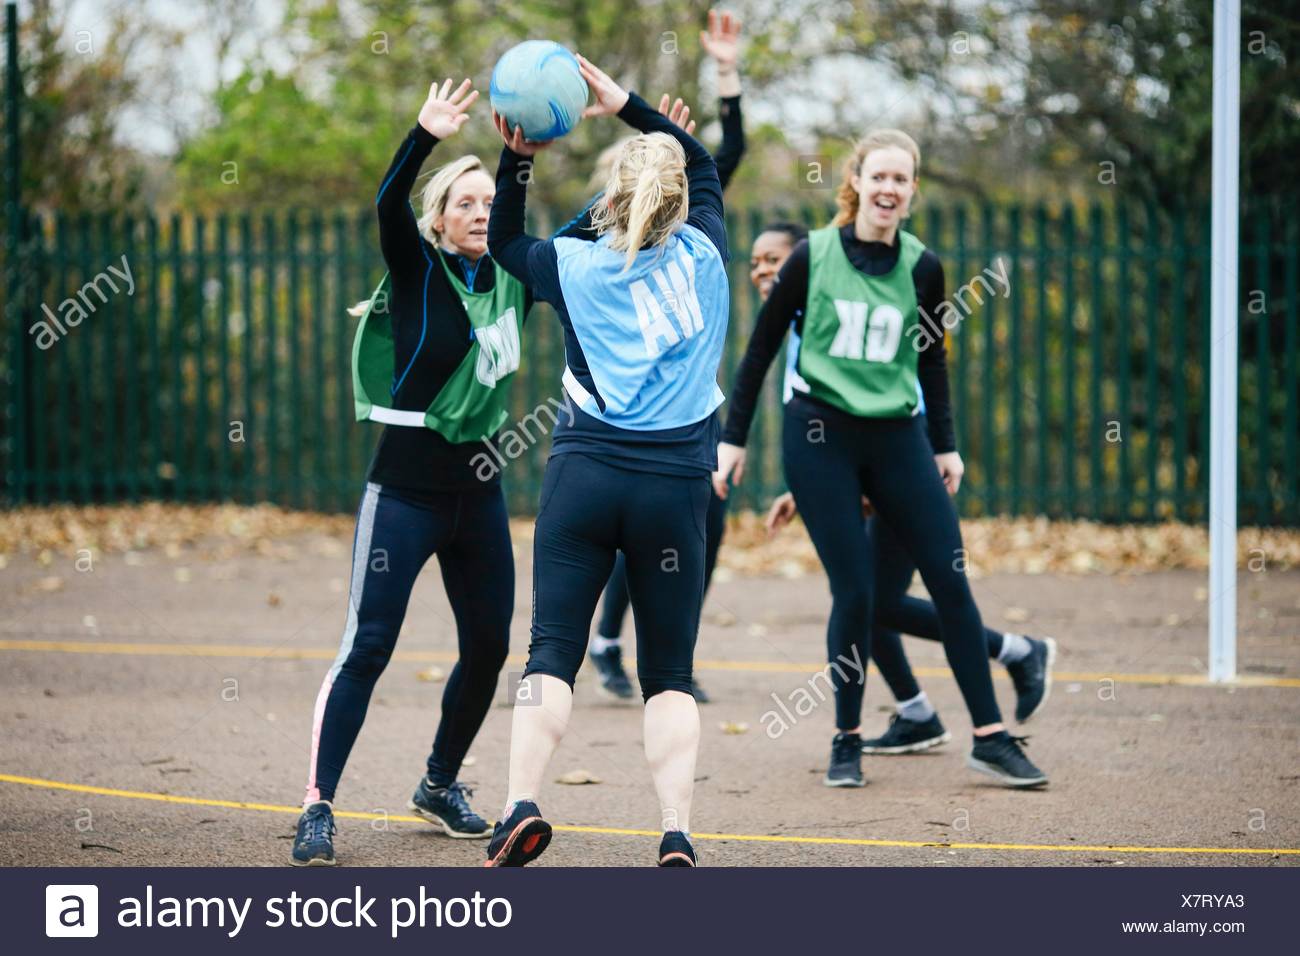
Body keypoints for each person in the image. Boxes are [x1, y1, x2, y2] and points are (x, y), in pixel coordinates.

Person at [714, 129, 1050, 789]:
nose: (890, 189)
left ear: (912, 191)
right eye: (879, 178)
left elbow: (930, 357)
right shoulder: (811, 257)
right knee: (858, 591)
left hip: (898, 437)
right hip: (821, 435)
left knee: (951, 581)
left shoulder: (923, 267)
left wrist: (945, 444)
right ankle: (847, 739)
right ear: (857, 183)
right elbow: (758, 353)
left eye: (902, 180)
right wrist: (734, 439)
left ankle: (989, 737)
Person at [483, 52, 729, 867]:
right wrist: (629, 106)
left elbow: (506, 240)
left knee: (551, 649)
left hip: (585, 477)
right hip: (674, 488)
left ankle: (520, 804)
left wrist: (518, 152)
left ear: (612, 200)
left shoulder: (573, 264)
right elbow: (698, 160)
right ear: (683, 201)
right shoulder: (709, 256)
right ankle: (674, 833)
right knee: (670, 675)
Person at [292, 79, 526, 865]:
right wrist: (423, 136)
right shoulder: (419, 269)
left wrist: (518, 158)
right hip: (404, 494)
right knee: (368, 646)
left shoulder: (514, 275)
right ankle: (318, 805)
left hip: (479, 495)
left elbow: (570, 219)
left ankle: (438, 784)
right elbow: (387, 205)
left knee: (491, 646)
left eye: (490, 201)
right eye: (466, 203)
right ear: (439, 219)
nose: (481, 213)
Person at [587, 9, 745, 704]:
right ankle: (599, 639)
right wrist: (649, 131)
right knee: (626, 525)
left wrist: (724, 72)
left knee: (702, 521)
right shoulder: (602, 236)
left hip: (687, 403)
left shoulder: (695, 227)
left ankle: (659, 648)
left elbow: (723, 151)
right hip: (621, 410)